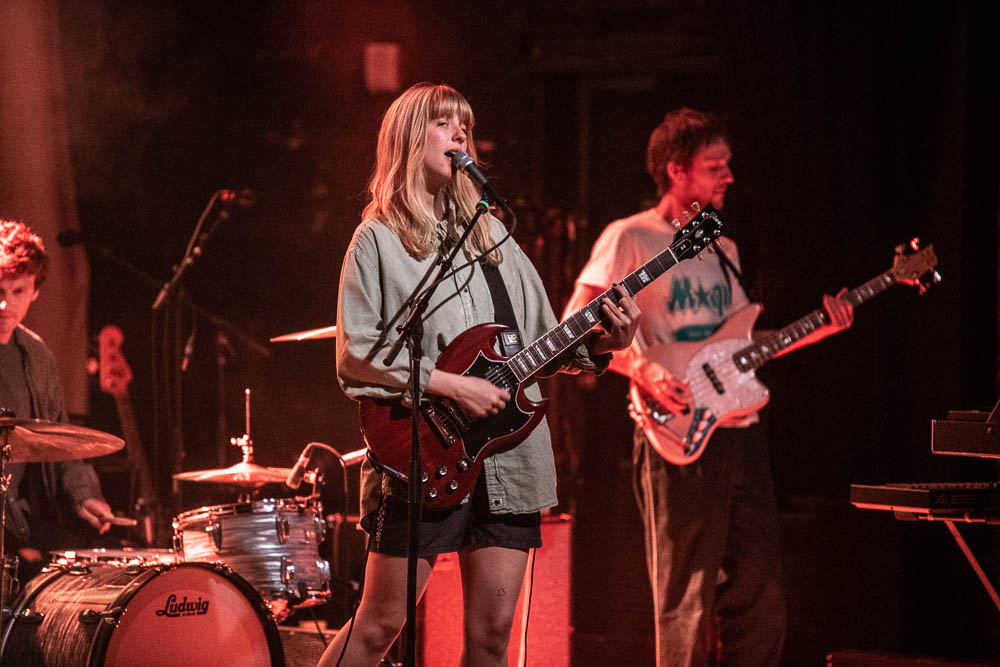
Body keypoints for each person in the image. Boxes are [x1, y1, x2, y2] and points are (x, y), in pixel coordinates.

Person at [318, 82, 640, 667]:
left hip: (509, 461)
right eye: (444, 123)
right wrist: (448, 384)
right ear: (410, 140)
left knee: (491, 642)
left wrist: (605, 343)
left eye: (464, 123)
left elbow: (547, 339)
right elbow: (356, 352)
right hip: (423, 448)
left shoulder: (496, 238)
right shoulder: (378, 238)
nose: (460, 133)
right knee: (379, 627)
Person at [563, 108, 854, 666]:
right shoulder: (630, 237)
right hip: (675, 436)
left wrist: (820, 328)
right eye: (714, 165)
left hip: (739, 433)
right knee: (686, 601)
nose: (728, 176)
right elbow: (577, 325)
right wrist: (641, 369)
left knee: (761, 593)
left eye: (727, 164)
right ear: (677, 171)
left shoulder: (725, 250)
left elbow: (739, 343)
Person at [1, 219, 116, 573]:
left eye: (18, 292)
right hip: (13, 532)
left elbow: (59, 441)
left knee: (99, 566)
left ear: (35, 291)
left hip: (20, 526)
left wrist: (85, 497)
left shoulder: (35, 355)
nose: (5, 306)